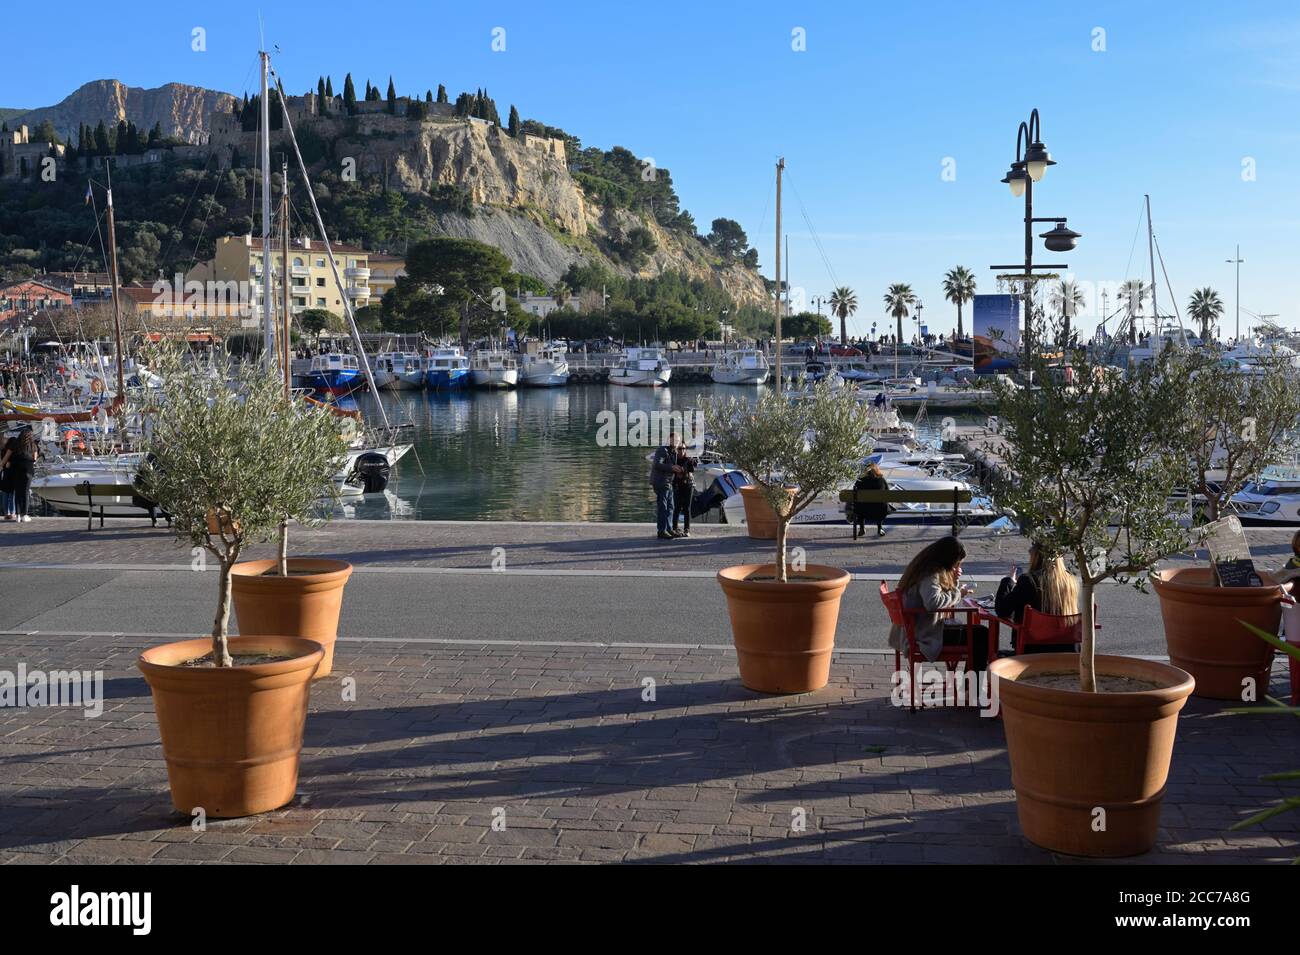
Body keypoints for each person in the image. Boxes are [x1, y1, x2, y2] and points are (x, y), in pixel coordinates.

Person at [888, 536, 989, 670]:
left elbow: (935, 595)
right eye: (957, 563)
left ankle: (970, 684)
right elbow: (932, 602)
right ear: (949, 560)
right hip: (926, 634)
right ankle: (972, 686)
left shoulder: (923, 567)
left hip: (917, 629)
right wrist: (959, 594)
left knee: (977, 633)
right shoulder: (931, 573)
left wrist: (953, 581)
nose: (957, 566)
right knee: (981, 634)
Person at [994, 542, 1081, 653]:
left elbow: (1002, 610)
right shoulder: (1070, 581)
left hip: (1033, 649)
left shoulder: (1029, 581)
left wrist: (1009, 581)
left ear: (1035, 557)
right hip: (1068, 650)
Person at [0, 426, 38, 524]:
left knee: (17, 492)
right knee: (25, 493)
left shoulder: (14, 444)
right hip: (28, 470)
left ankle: (17, 515)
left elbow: (6, 457)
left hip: (16, 470)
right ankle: (24, 515)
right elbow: (34, 459)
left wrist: (1, 465)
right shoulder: (33, 445)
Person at [650, 431, 682, 540]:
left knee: (670, 507)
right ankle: (661, 530)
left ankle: (669, 529)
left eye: (678, 440)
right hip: (660, 482)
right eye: (675, 440)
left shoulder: (673, 452)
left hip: (668, 483)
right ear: (669, 440)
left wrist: (677, 469)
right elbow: (657, 464)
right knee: (662, 507)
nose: (677, 442)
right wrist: (672, 468)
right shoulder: (662, 450)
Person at [850, 461, 889, 539]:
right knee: (882, 505)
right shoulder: (881, 480)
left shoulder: (860, 480)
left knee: (859, 505)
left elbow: (854, 492)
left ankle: (861, 528)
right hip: (879, 511)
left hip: (863, 511)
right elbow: (888, 493)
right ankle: (880, 528)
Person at [670, 437, 697, 538]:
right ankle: (674, 528)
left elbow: (692, 469)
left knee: (686, 508)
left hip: (688, 485)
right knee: (676, 507)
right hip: (677, 485)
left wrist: (685, 470)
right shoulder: (674, 459)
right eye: (680, 448)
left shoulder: (689, 459)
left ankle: (687, 529)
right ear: (676, 449)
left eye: (684, 448)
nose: (682, 451)